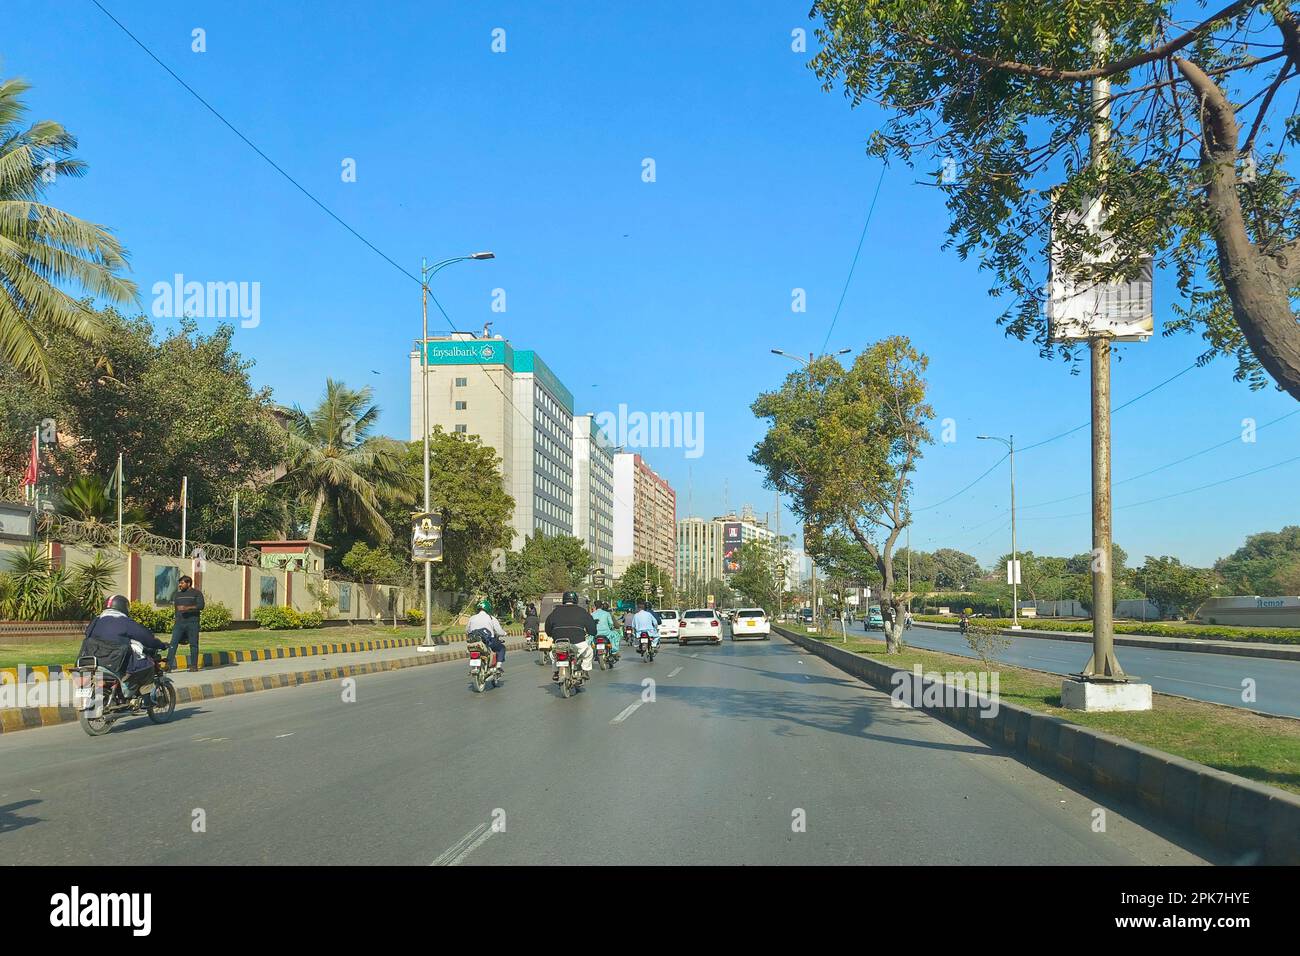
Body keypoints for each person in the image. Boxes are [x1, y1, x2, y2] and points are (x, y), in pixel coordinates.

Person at [79, 595, 167, 698]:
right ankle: (146, 700)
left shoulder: (96, 621)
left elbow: (88, 634)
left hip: (93, 660)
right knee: (147, 667)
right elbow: (146, 637)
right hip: (114, 662)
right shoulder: (125, 622)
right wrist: (161, 645)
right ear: (123, 607)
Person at [544, 591, 596, 677]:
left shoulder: (555, 611)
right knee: (589, 652)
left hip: (559, 642)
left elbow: (547, 627)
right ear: (576, 600)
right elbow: (592, 627)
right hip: (578, 643)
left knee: (553, 655)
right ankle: (585, 671)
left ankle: (556, 672)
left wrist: (550, 634)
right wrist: (592, 632)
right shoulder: (582, 611)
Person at [167, 574, 205, 671]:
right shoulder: (177, 595)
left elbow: (201, 606)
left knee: (193, 644)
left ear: (188, 583)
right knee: (173, 643)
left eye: (182, 583)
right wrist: (176, 620)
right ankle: (168, 666)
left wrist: (187, 608)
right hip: (179, 623)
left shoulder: (197, 593)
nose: (180, 585)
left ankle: (194, 666)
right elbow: (176, 609)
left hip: (192, 623)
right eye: (179, 583)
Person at [466, 599, 508, 671]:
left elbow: (467, 630)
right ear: (488, 608)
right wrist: (505, 633)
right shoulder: (491, 618)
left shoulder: (472, 618)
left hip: (474, 641)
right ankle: (498, 666)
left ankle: (475, 667)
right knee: (501, 648)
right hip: (488, 641)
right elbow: (499, 631)